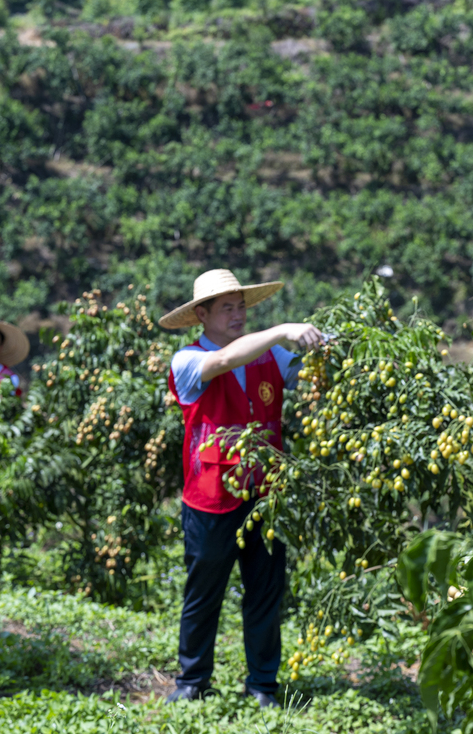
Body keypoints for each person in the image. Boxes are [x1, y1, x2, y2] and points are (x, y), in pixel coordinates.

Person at [158, 269, 322, 708]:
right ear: (201, 314)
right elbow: (223, 362)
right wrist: (282, 330)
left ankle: (262, 684)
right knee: (203, 592)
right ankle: (192, 680)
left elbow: (309, 377)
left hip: (267, 493)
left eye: (241, 306)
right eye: (227, 308)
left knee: (266, 590)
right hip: (212, 496)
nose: (237, 315)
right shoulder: (187, 360)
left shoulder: (272, 358)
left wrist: (331, 353)